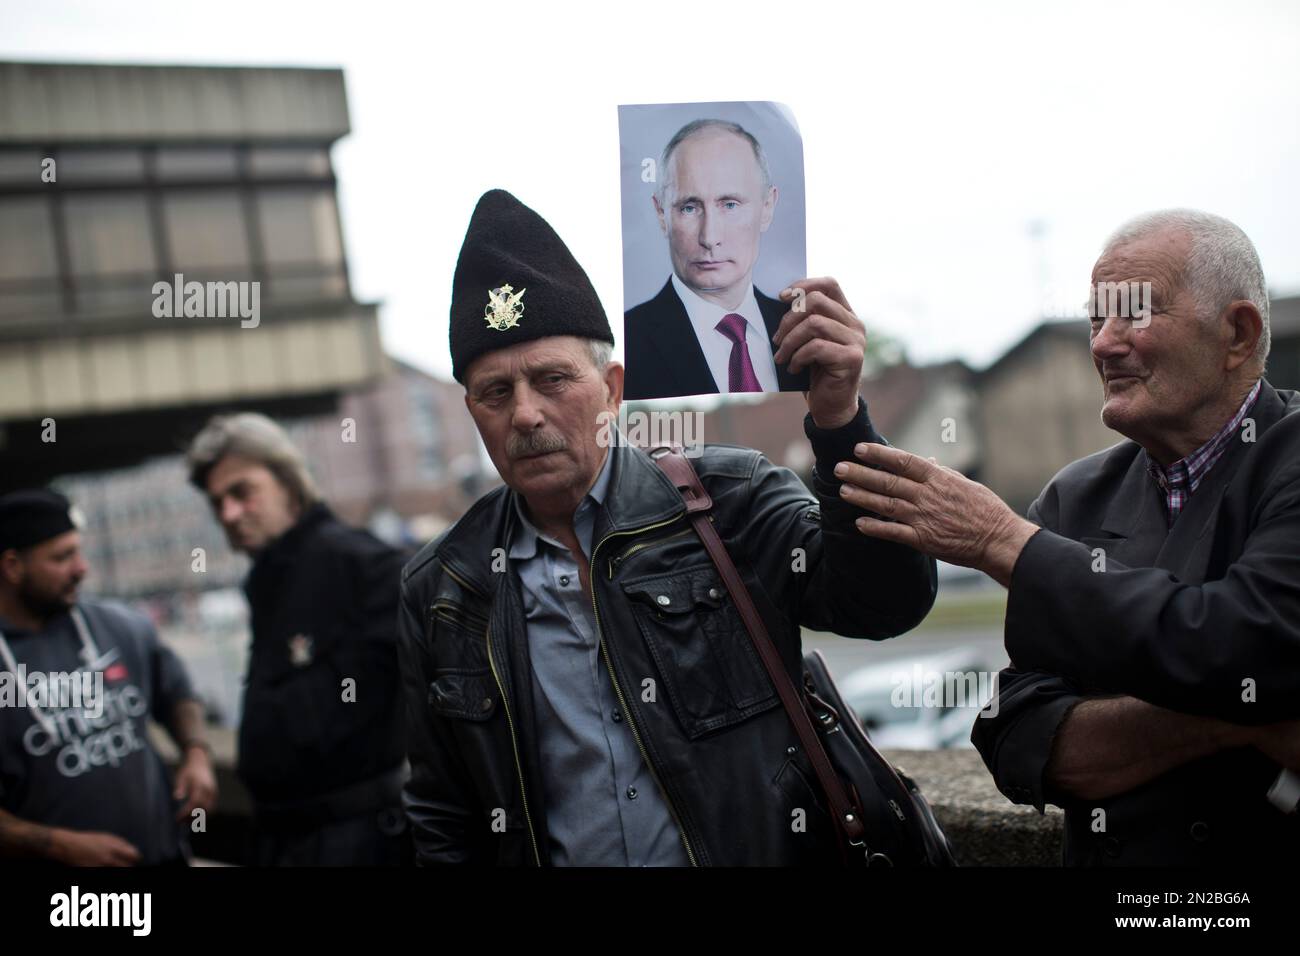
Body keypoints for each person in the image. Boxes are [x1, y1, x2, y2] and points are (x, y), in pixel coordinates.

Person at [398, 188, 936, 865]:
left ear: (613, 390)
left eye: (552, 380)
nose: (527, 415)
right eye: (496, 393)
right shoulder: (445, 585)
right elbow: (443, 813)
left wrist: (838, 420)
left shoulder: (728, 500)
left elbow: (885, 603)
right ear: (472, 411)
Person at [832, 209, 1300, 865]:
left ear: (1238, 333)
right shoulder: (1077, 496)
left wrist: (1006, 543)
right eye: (1093, 320)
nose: (1104, 344)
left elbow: (1251, 646)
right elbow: (1018, 735)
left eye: (1133, 314)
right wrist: (1238, 719)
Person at [186, 413, 411, 865]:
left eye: (241, 493)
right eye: (217, 504)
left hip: (361, 841)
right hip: (286, 841)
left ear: (288, 481)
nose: (228, 514)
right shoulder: (268, 578)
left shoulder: (360, 564)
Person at [0, 488, 215, 866]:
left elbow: (178, 692)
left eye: (78, 551)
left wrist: (196, 752)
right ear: (13, 567)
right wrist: (56, 844)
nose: (81, 567)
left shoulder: (118, 625)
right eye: (62, 557)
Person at [623, 119, 810, 400]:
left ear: (767, 206)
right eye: (689, 207)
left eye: (730, 205)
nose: (709, 238)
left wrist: (844, 410)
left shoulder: (802, 331)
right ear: (661, 214)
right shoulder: (630, 341)